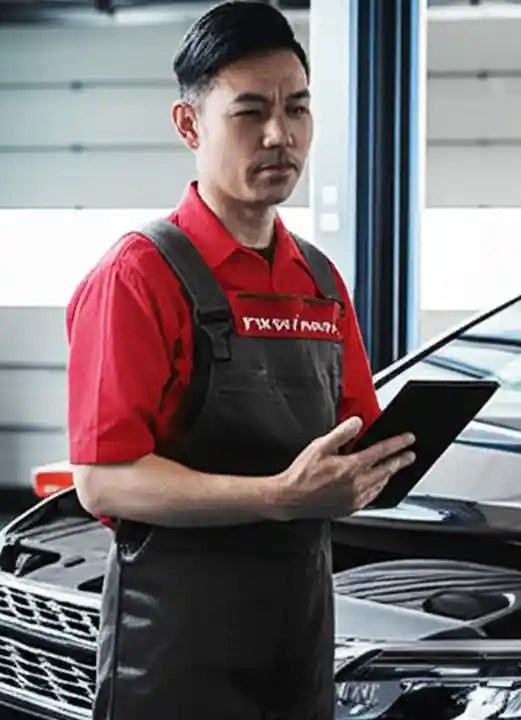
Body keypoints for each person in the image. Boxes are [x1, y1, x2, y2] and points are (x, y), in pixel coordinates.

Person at [64, 3, 417, 718]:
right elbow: (103, 481)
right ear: (190, 126)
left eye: (298, 109)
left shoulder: (318, 281)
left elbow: (354, 441)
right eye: (250, 112)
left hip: (301, 644)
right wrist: (276, 496)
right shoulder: (139, 277)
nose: (279, 135)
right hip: (174, 658)